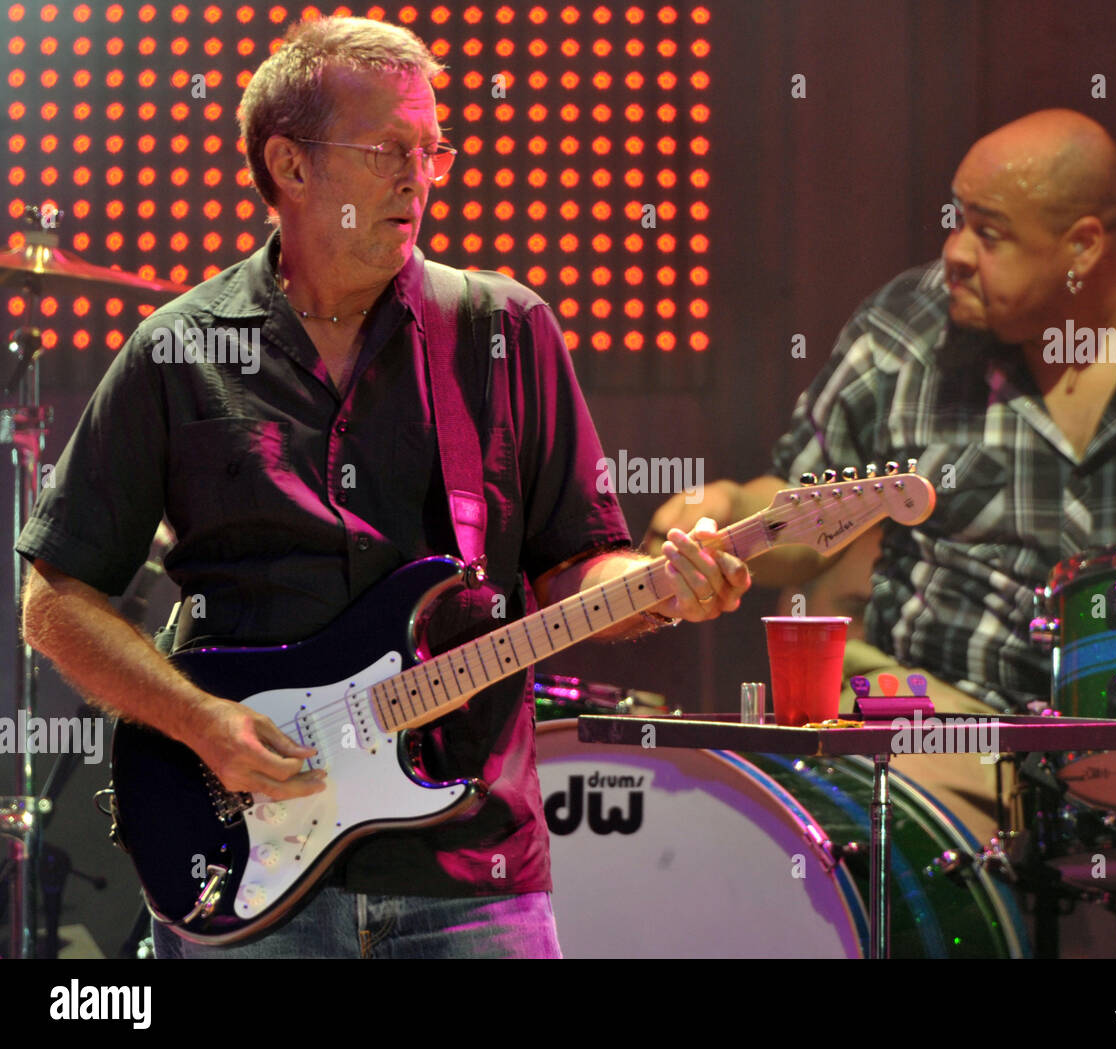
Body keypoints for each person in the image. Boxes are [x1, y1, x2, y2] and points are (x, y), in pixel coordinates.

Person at [16, 16, 750, 959]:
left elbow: (575, 562)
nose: (421, 176)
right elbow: (57, 600)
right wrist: (200, 722)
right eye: (387, 150)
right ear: (289, 164)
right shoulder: (180, 347)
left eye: (433, 149)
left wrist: (657, 584)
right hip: (248, 875)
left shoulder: (504, 329)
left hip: (471, 874)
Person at [650, 109, 1116, 845]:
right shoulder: (908, 327)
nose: (953, 251)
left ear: (1082, 245)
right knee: (810, 834)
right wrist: (729, 510)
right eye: (958, 220)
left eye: (988, 233)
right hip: (943, 727)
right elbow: (804, 519)